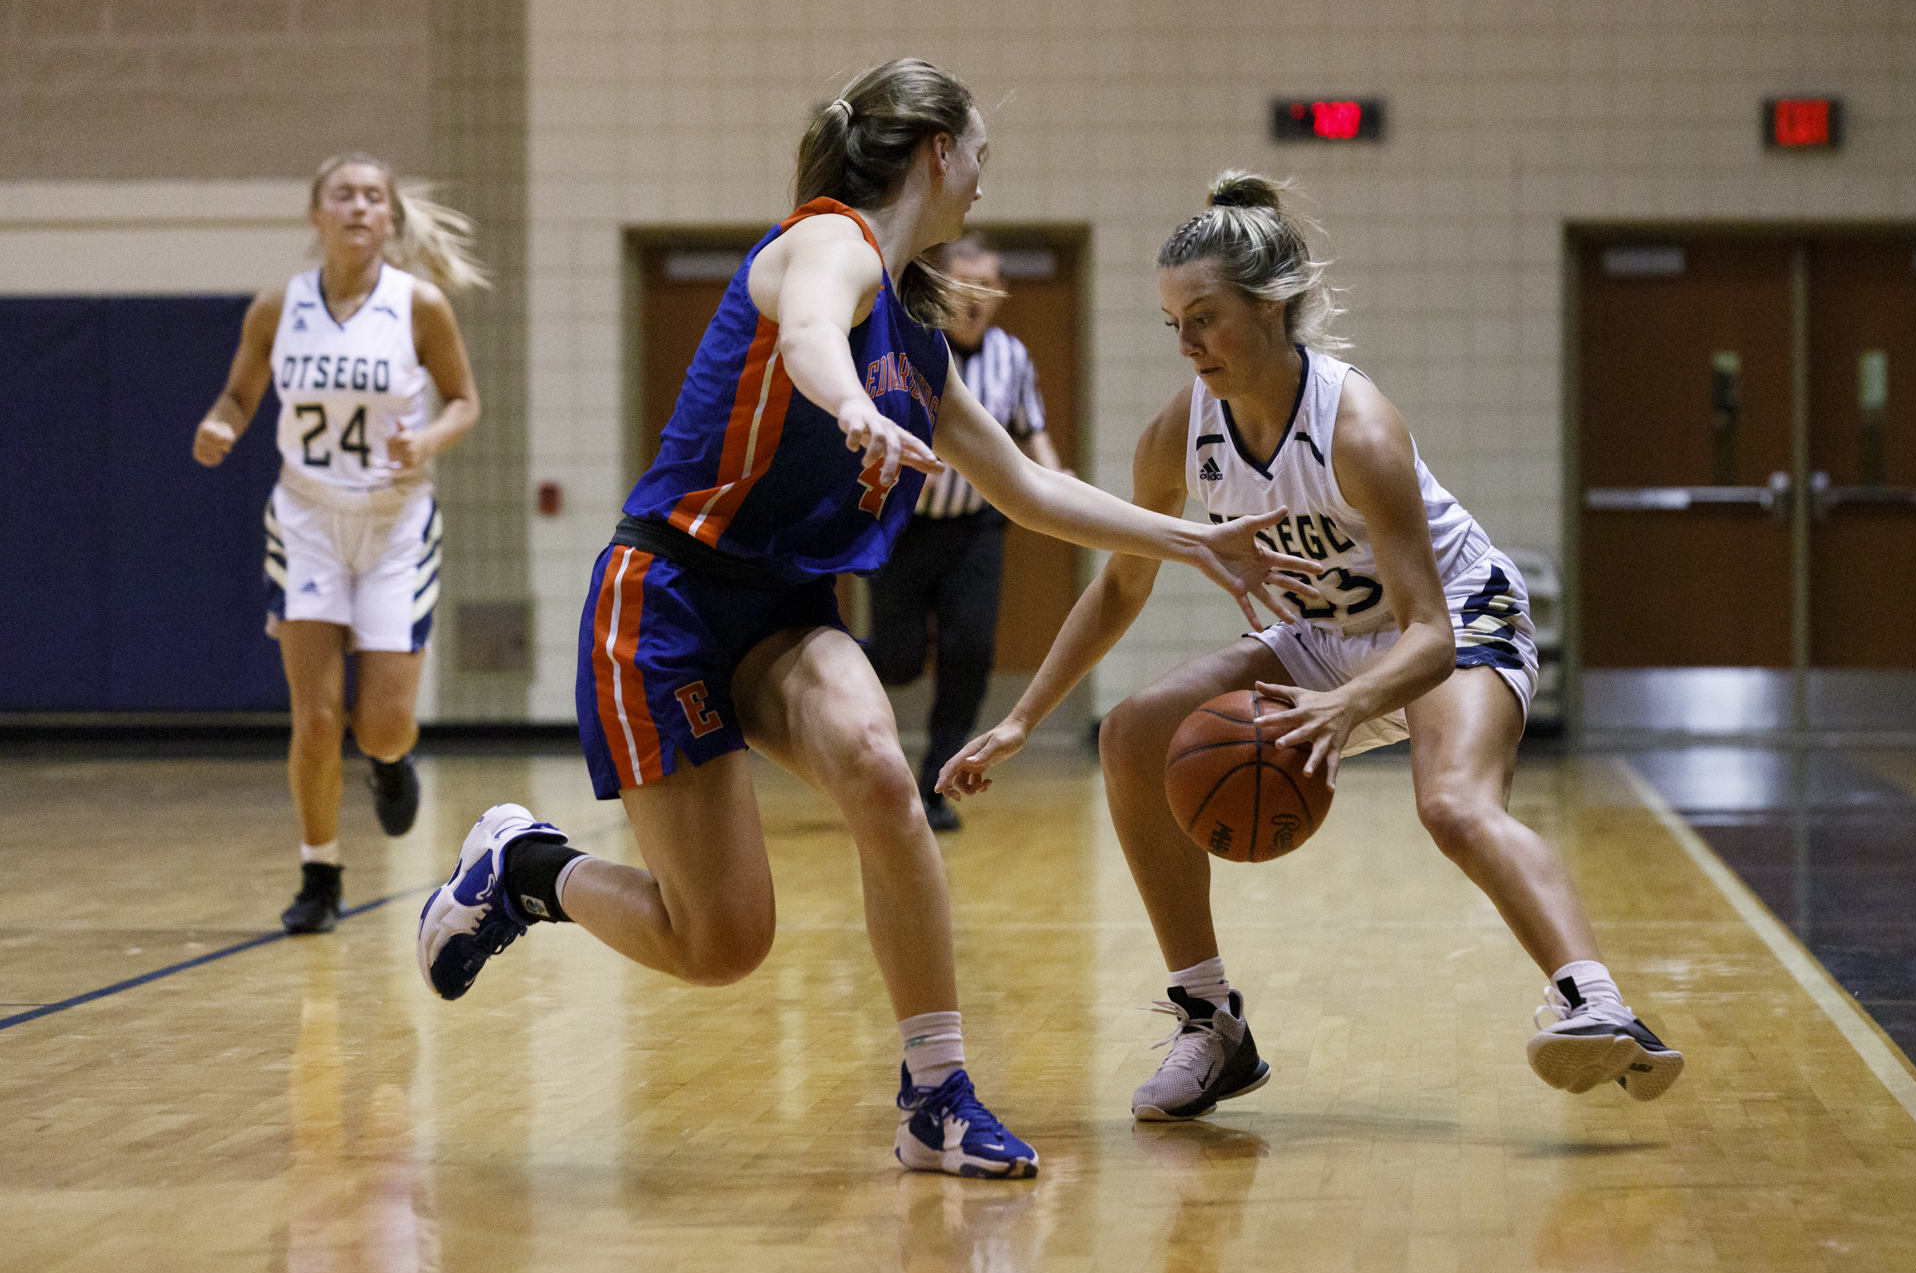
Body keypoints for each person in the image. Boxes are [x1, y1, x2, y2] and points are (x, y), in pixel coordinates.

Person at [412, 61, 1319, 1178]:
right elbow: (805, 339)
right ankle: (527, 868)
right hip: (669, 597)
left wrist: (1191, 540)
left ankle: (935, 1097)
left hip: (786, 609)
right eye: (980, 154)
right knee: (722, 943)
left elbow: (1029, 492)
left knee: (881, 771)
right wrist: (847, 408)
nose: (985, 181)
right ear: (937, 152)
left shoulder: (919, 334)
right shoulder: (827, 241)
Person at [939, 171, 1684, 1120]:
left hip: (1454, 616)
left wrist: (1351, 704)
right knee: (1129, 734)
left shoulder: (1356, 425)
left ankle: (1598, 1005)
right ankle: (1211, 1023)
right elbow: (1121, 584)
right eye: (1172, 323)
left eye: (1204, 317)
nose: (1188, 343)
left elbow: (1426, 632)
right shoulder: (1180, 432)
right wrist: (1018, 719)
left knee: (1455, 804)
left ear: (1272, 303)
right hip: (1323, 634)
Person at [193, 153, 485, 934]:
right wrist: (223, 423)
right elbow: (239, 391)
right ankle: (319, 872)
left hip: (394, 522)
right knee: (316, 719)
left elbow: (464, 401)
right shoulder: (276, 308)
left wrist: (426, 440)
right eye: (343, 194)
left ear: (389, 217)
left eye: (373, 196)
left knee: (381, 724)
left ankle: (389, 765)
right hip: (308, 519)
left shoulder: (418, 305)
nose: (358, 206)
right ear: (316, 214)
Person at [864, 234, 1068, 832]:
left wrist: (1058, 482)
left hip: (975, 531)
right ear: (943, 291)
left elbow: (1032, 433)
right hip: (904, 529)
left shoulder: (1014, 357)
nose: (977, 297)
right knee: (899, 658)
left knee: (970, 653)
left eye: (987, 285)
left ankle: (933, 786)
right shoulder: (913, 347)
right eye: (965, 285)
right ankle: (812, 661)